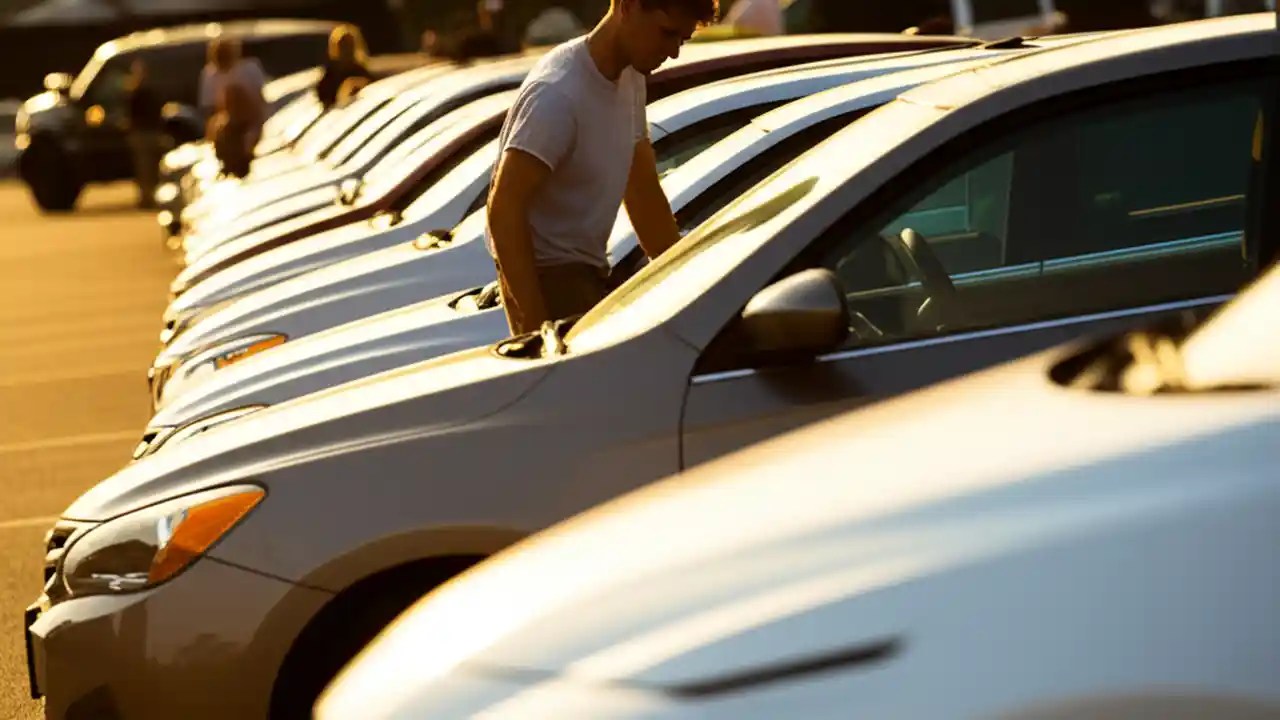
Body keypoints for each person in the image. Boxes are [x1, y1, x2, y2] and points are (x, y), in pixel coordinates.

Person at [486, 0, 719, 336]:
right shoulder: (559, 92)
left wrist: (690, 287)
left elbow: (642, 192)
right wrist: (537, 333)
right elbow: (504, 210)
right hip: (550, 282)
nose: (672, 53)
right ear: (627, 7)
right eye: (666, 33)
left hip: (590, 275)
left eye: (681, 40)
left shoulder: (631, 77)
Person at [200, 38, 267, 177]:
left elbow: (259, 103)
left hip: (248, 121)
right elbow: (210, 110)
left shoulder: (249, 71)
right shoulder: (210, 75)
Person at [124, 58, 162, 208]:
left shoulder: (146, 92)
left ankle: (150, 196)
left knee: (150, 167)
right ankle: (146, 196)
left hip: (149, 132)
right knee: (145, 168)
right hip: (142, 134)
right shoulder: (136, 93)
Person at [316, 24, 372, 109]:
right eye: (343, 46)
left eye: (349, 45)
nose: (346, 50)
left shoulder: (360, 71)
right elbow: (324, 98)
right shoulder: (330, 74)